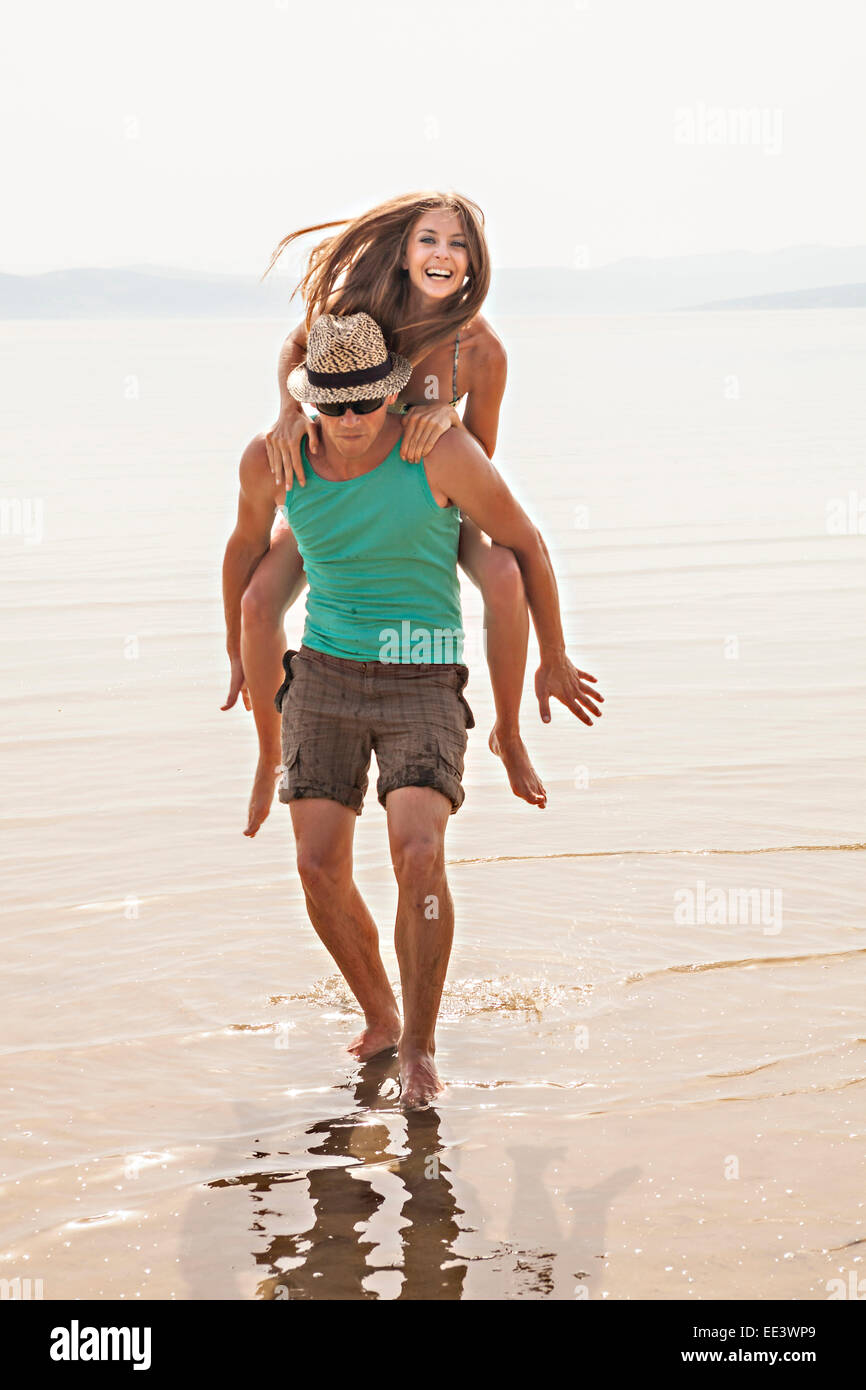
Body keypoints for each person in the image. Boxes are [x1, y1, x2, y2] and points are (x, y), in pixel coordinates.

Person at [221, 312, 604, 1108]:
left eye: (370, 402)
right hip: (323, 674)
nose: (355, 420)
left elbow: (523, 544)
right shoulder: (276, 458)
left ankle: (422, 1045)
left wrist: (553, 659)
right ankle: (382, 1015)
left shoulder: (436, 450)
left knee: (418, 852)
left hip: (422, 672)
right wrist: (236, 652)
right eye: (337, 404)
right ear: (310, 400)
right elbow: (244, 550)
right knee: (317, 866)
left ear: (391, 394)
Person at [223, 191, 546, 838]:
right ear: (402, 253)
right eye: (429, 239)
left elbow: (484, 452)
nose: (443, 254)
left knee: (508, 576)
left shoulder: (481, 350)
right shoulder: (366, 314)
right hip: (345, 487)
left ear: (476, 262)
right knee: (258, 605)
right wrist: (290, 415)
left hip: (431, 492)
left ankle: (507, 731)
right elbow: (299, 347)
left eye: (458, 244)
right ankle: (268, 753)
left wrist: (448, 420)